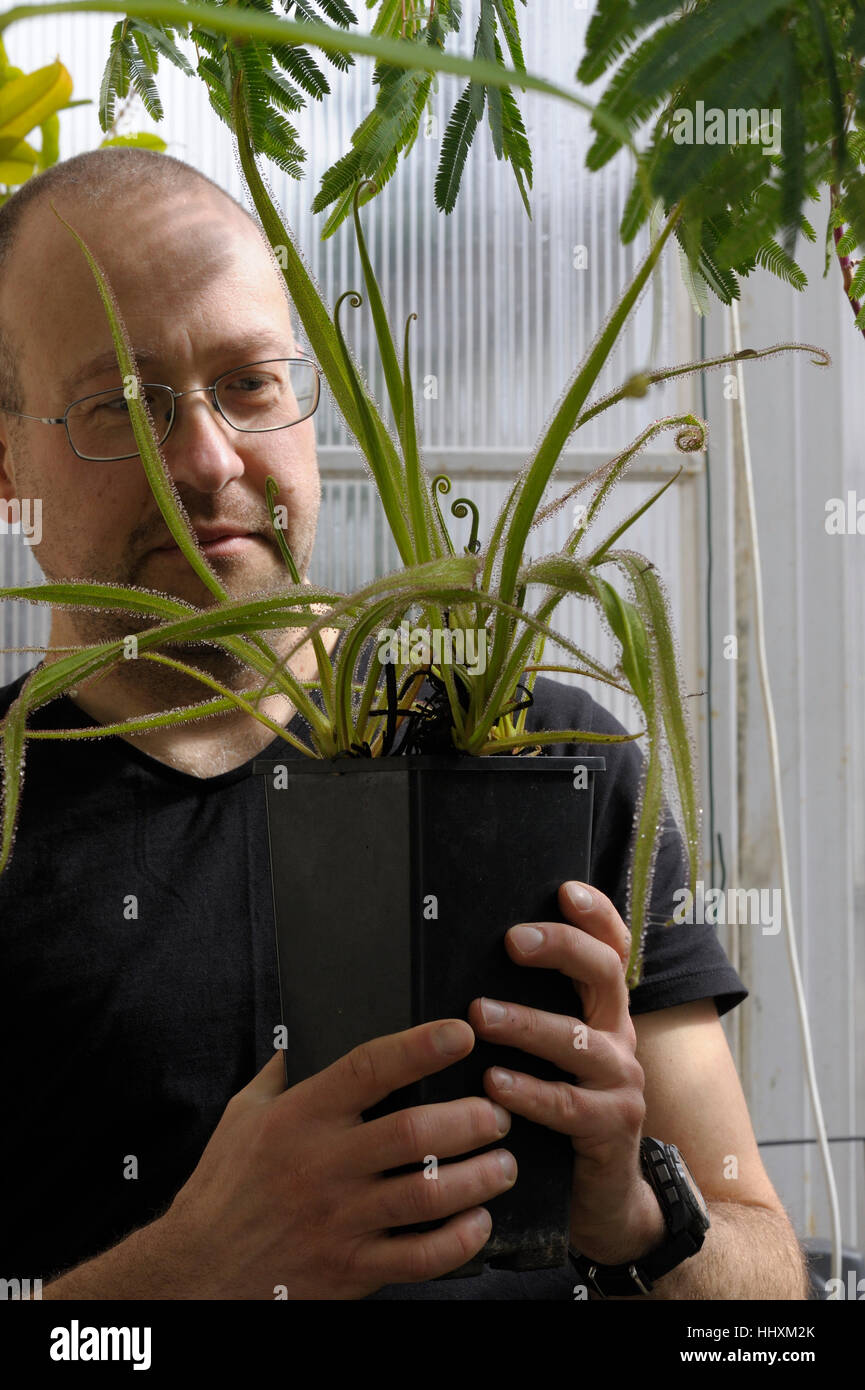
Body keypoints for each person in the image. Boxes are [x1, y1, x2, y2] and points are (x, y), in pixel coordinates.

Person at [0, 149, 809, 1301]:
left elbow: (769, 1309)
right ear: (7, 458)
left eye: (249, 383)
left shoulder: (552, 760)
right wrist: (197, 1270)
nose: (208, 458)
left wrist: (636, 1211)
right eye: (117, 405)